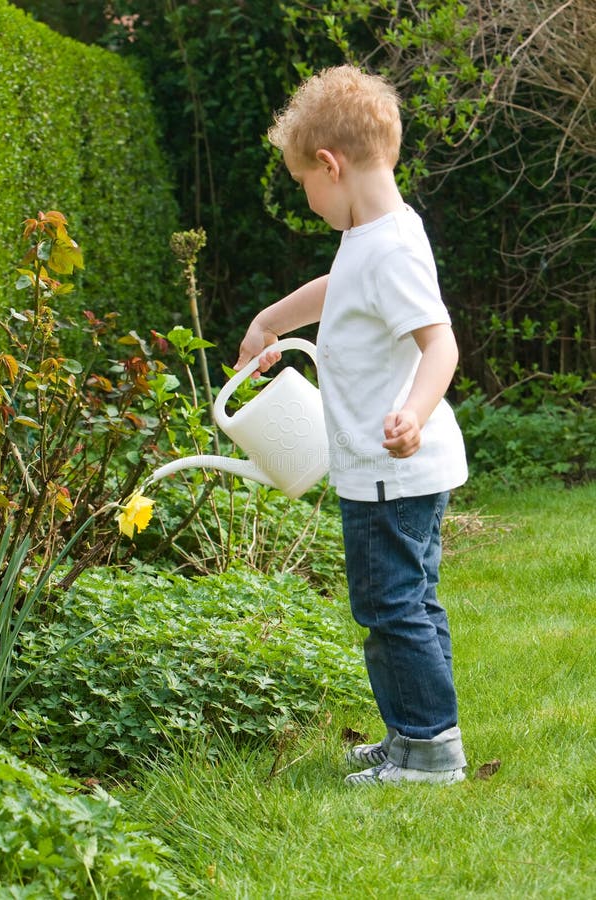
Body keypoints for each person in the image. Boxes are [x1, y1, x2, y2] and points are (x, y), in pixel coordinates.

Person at [234, 65, 468, 786]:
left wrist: (413, 414)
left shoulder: (389, 247)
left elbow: (441, 344)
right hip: (391, 469)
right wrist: (270, 321)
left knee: (389, 605)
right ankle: (414, 735)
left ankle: (428, 750)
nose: (307, 198)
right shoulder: (377, 235)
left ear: (329, 165)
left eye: (303, 181)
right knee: (408, 602)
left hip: (391, 467)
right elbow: (339, 288)